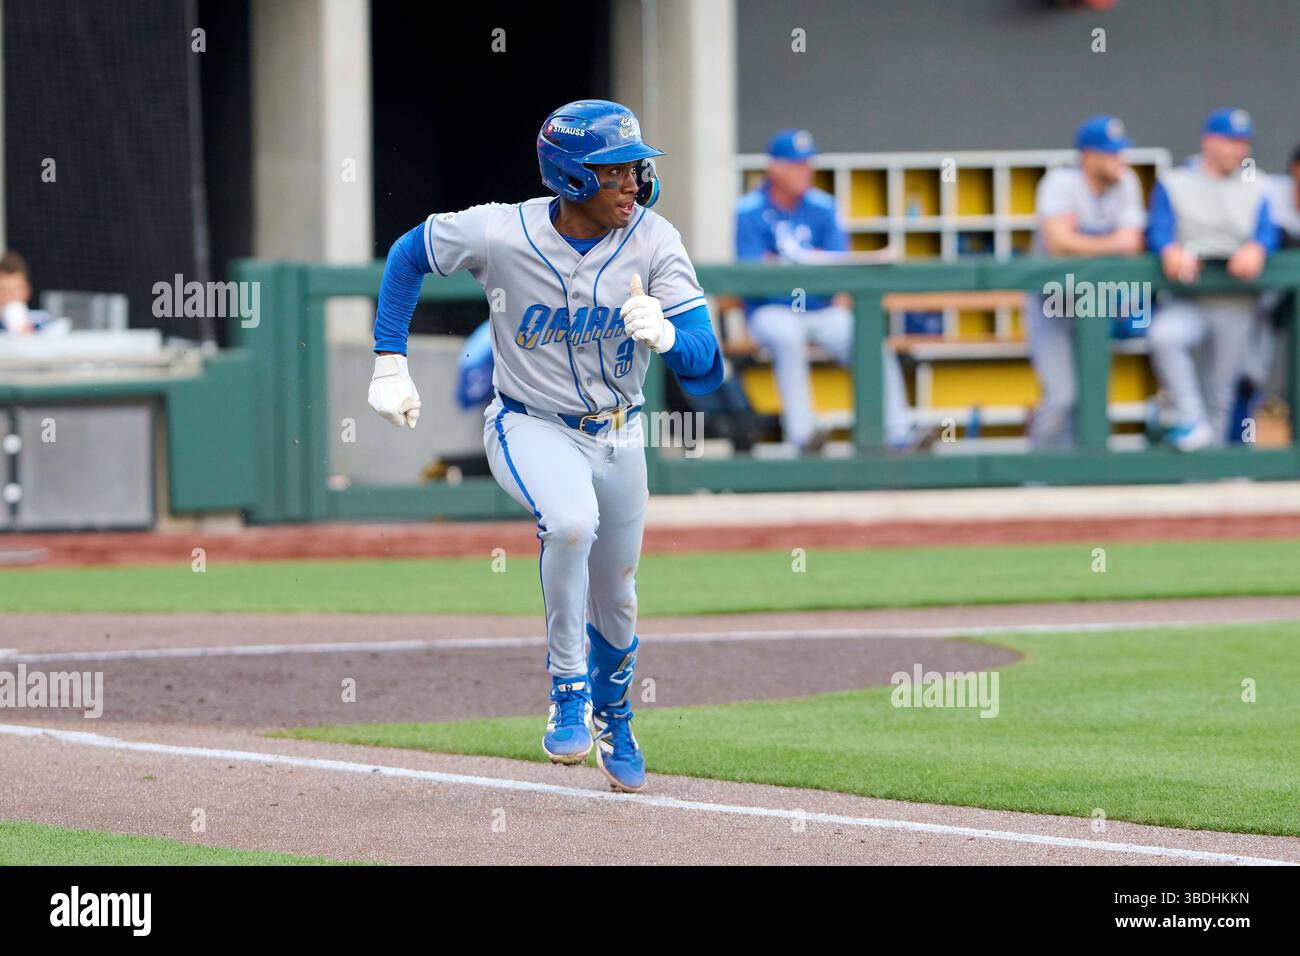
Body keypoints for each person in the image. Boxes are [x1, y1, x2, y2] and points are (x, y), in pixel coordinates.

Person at [366, 100, 721, 793]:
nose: (632, 182)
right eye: (613, 170)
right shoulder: (502, 231)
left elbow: (707, 367)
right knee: (569, 524)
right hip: (529, 421)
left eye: (634, 168)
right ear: (571, 177)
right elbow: (411, 253)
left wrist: (672, 337)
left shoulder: (654, 240)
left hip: (620, 430)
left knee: (616, 595)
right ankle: (567, 688)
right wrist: (388, 360)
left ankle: (615, 713)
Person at [735, 129, 911, 451]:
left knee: (867, 335)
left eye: (807, 163)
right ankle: (803, 437)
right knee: (788, 337)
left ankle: (898, 434)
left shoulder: (824, 206)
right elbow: (752, 278)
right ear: (774, 168)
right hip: (771, 311)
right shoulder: (748, 209)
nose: (805, 171)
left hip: (820, 309)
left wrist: (791, 267)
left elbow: (840, 269)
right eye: (795, 164)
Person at [1146, 108, 1280, 451]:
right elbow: (1158, 231)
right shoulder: (1176, 181)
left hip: (1236, 303)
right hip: (1189, 297)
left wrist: (1258, 247)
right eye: (1231, 142)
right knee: (1164, 336)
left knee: (1220, 392)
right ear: (1209, 142)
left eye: (1243, 143)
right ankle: (1191, 420)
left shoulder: (1257, 184)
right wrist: (1168, 250)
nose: (1239, 151)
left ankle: (1211, 476)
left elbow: (1268, 232)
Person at [1024, 116, 1147, 448]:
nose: (1119, 160)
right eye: (1110, 153)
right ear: (1087, 156)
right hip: (1052, 302)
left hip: (1096, 302)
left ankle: (1080, 479)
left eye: (1121, 152)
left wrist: (1081, 243)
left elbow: (1133, 243)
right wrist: (1110, 244)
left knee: (1092, 396)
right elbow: (1057, 244)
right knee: (1061, 396)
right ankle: (1037, 475)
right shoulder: (1061, 183)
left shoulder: (1127, 181)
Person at [0, 251, 54, 334]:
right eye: (3, 289)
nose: (9, 295)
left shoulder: (43, 322)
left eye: (15, 289)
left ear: (27, 291)